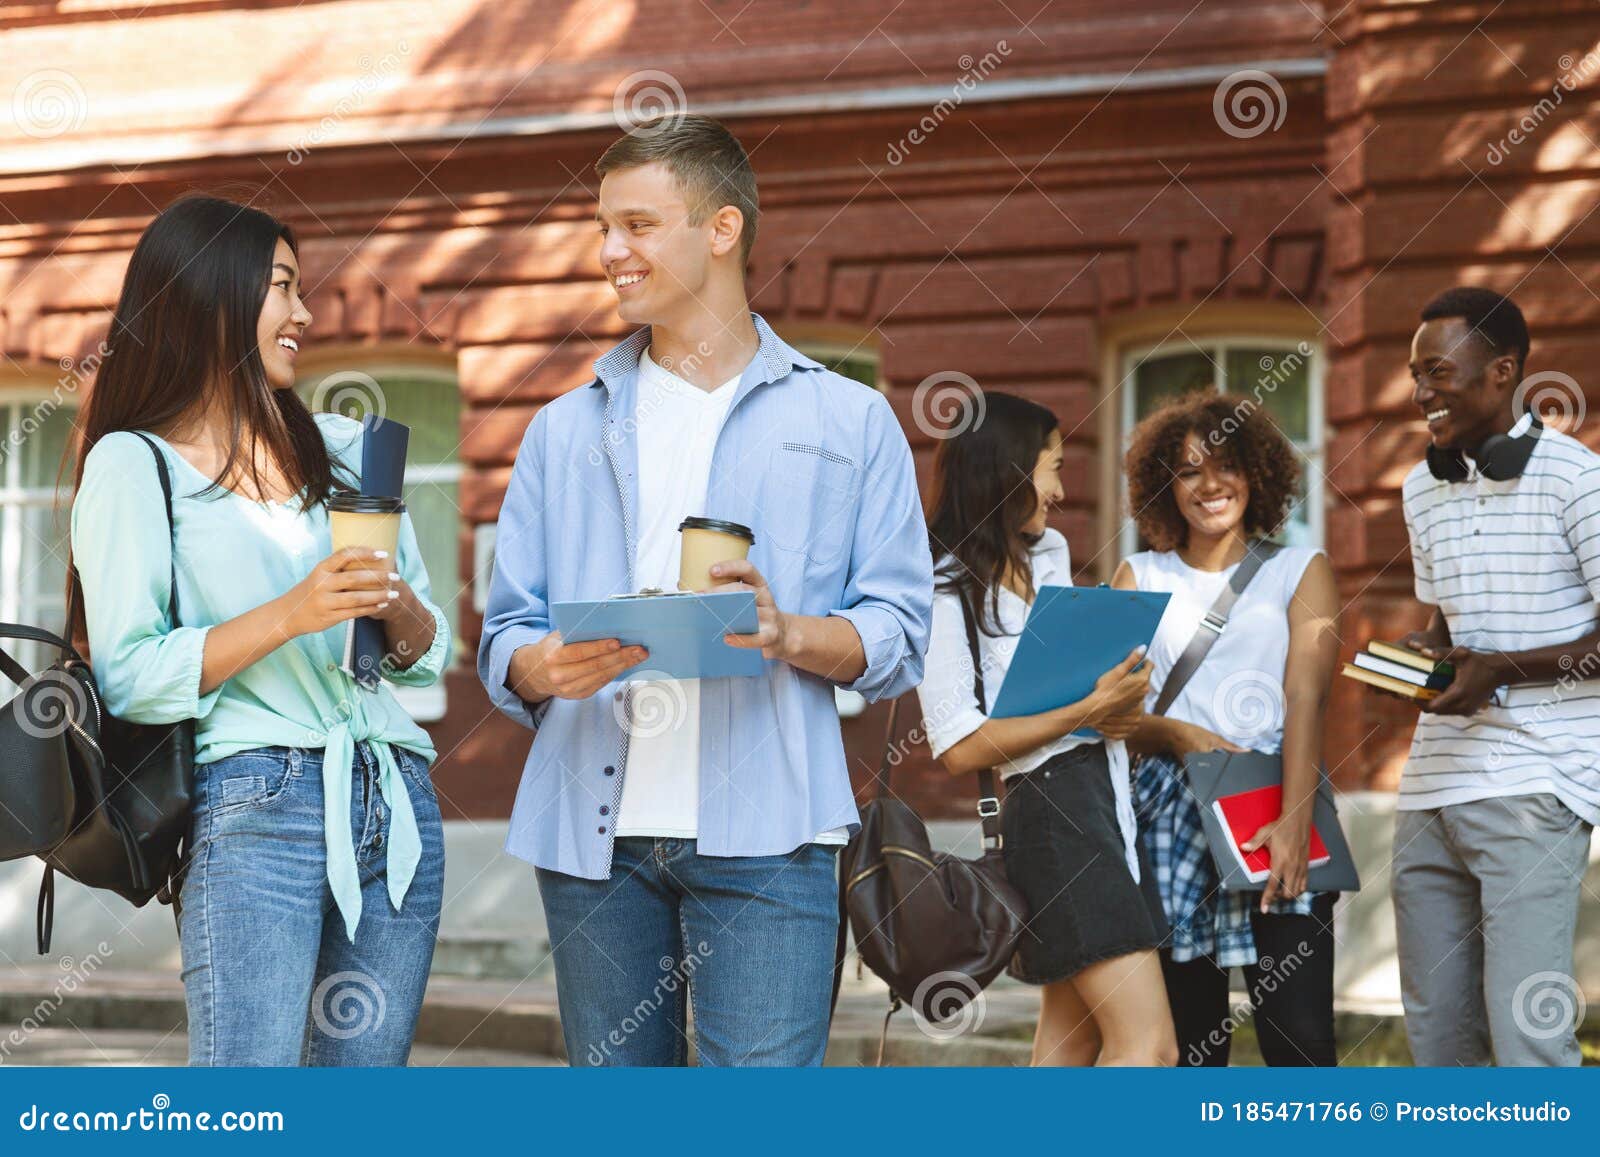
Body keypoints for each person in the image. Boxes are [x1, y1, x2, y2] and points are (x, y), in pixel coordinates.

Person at [477, 115, 931, 1067]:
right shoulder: (563, 429)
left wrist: (790, 632)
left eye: (638, 225)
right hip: (593, 840)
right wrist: (541, 666)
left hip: (770, 833)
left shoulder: (849, 419)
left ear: (721, 230)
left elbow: (898, 631)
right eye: (604, 227)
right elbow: (506, 628)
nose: (610, 252)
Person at [69, 194, 451, 1066]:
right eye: (282, 287)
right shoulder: (136, 465)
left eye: (301, 287)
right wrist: (293, 612)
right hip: (254, 805)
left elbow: (422, 655)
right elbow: (127, 672)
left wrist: (392, 605)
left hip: (392, 796)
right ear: (212, 295)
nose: (305, 313)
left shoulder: (352, 448)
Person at [914, 391, 1176, 1067]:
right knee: (1148, 1047)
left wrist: (1116, 699)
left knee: (1070, 1046)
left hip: (1105, 797)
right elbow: (959, 747)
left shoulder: (1046, 554)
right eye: (1051, 467)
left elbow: (1071, 696)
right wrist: (1086, 710)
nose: (1060, 489)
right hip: (1054, 812)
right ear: (1007, 470)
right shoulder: (943, 589)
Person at [1393, 286, 1599, 1066]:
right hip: (1430, 787)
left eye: (1437, 372)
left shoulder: (1578, 481)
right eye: (1415, 374)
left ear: (1502, 370)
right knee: (1441, 1041)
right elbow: (1448, 625)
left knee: (1528, 1041)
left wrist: (1504, 670)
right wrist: (1424, 657)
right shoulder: (1421, 487)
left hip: (1536, 782)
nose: (1421, 393)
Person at [1113, 390, 1340, 1067]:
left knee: (1299, 1037)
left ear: (1257, 472)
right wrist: (1177, 735)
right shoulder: (1138, 575)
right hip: (1166, 814)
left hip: (1271, 796)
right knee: (1190, 1042)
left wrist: (1297, 814)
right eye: (1187, 470)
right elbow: (1110, 716)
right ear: (1164, 485)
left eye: (1225, 464)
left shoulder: (1302, 568)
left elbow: (1307, 694)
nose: (1209, 484)